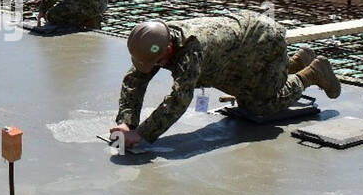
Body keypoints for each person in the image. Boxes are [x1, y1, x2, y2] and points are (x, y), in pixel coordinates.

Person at [110, 11, 341, 149]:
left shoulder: (191, 50)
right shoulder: (155, 42)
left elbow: (179, 99)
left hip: (263, 42)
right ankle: (294, 63)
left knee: (261, 106)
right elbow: (136, 78)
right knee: (246, 94)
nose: (156, 67)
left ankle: (312, 72)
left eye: (159, 62)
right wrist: (127, 123)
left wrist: (141, 134)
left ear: (169, 48)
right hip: (237, 52)